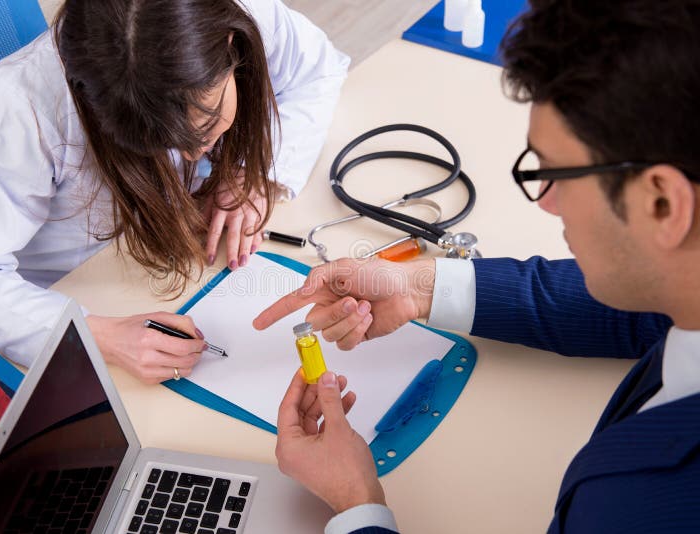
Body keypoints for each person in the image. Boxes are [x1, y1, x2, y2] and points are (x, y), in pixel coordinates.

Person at [255, 0, 700, 532]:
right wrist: (416, 288)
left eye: (557, 173)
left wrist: (358, 506)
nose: (545, 203)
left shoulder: (650, 507)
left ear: (663, 204)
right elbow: (650, 308)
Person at [0, 0, 349, 383]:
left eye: (209, 122)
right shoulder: (22, 106)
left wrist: (252, 177)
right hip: (82, 295)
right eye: (163, 142)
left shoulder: (229, 13)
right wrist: (97, 335)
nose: (198, 151)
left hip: (184, 265)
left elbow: (318, 69)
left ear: (230, 43)